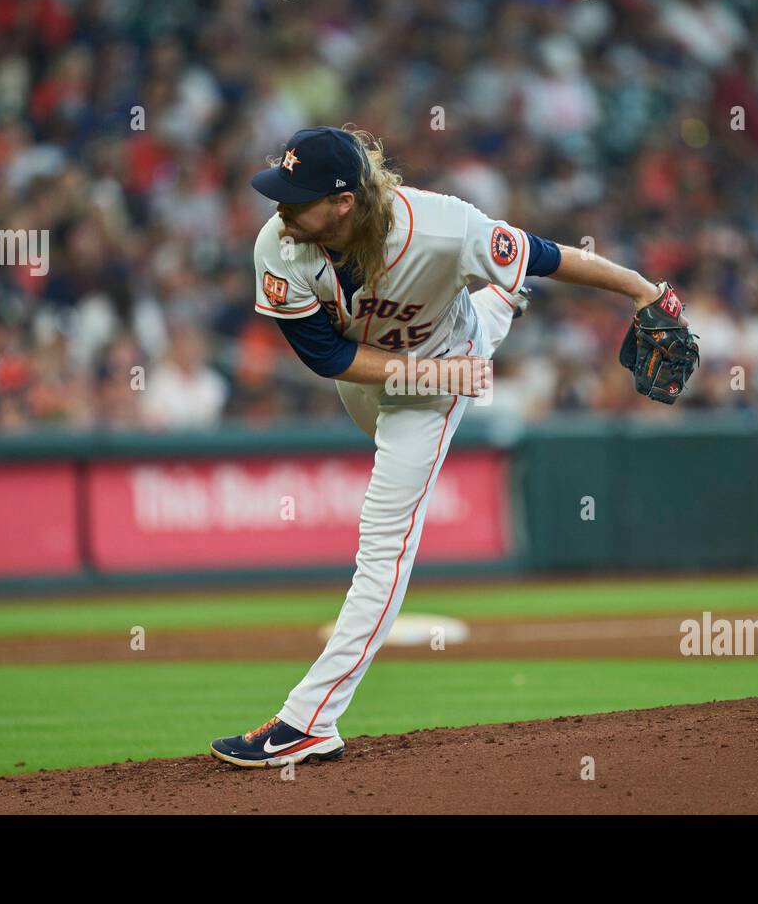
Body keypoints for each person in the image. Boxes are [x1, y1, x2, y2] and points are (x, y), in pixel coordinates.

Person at [210, 126, 682, 767]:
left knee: (383, 546)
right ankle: (500, 301)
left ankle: (308, 722)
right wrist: (430, 372)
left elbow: (549, 252)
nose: (282, 210)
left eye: (298, 198)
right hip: (389, 373)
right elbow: (327, 356)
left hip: (429, 389)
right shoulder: (280, 245)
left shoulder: (443, 226)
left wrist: (644, 290)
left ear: (345, 202)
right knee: (472, 331)